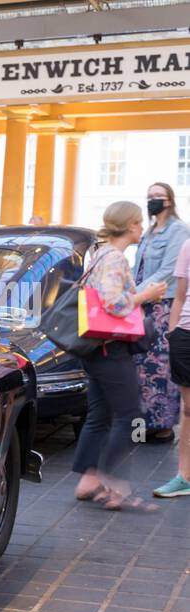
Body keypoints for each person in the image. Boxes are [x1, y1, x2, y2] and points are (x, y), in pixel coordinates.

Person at [72, 201, 167, 512]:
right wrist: (146, 295)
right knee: (128, 415)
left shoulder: (100, 253)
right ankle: (116, 486)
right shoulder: (114, 258)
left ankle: (88, 480)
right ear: (130, 226)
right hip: (111, 349)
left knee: (99, 414)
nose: (142, 227)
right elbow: (114, 303)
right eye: (139, 222)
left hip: (95, 349)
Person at [133, 182, 189, 442]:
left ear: (169, 200)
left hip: (161, 305)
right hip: (143, 303)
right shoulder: (149, 231)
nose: (153, 200)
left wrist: (135, 295)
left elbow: (167, 271)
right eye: (149, 195)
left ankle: (162, 426)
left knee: (161, 367)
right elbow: (139, 268)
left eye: (158, 196)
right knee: (142, 367)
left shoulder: (178, 230)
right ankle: (143, 427)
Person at [153, 234, 190, 498]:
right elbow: (179, 294)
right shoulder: (188, 243)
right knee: (189, 410)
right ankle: (184, 477)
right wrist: (173, 331)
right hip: (185, 334)